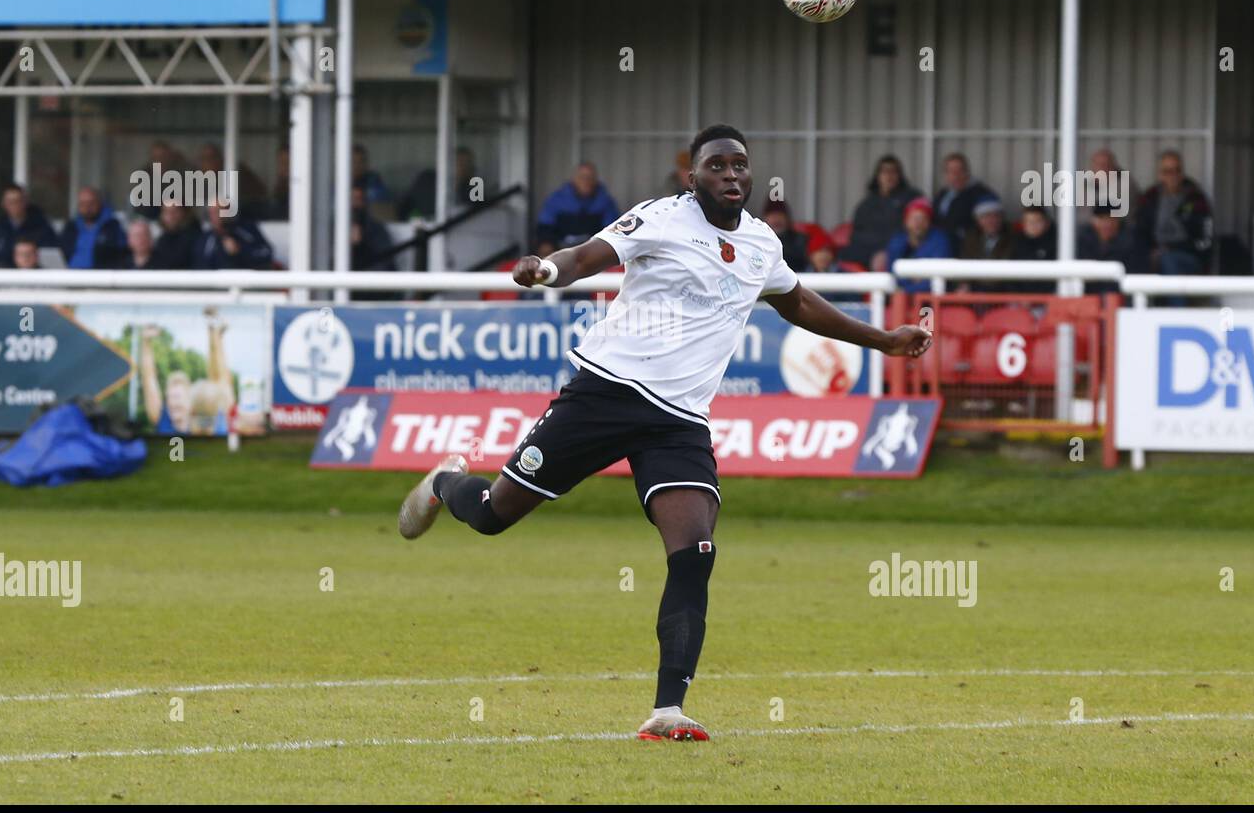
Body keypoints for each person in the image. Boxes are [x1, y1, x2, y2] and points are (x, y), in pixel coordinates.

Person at [395, 124, 933, 742]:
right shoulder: (661, 219)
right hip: (607, 393)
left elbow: (799, 303)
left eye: (739, 166)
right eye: (717, 166)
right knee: (494, 514)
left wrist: (884, 339)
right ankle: (446, 481)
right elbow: (587, 256)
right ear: (693, 177)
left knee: (695, 551)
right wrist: (546, 268)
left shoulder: (762, 244)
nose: (731, 175)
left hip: (679, 421)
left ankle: (667, 710)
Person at [139, 310, 234, 435]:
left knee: (223, 396)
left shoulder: (204, 420)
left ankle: (213, 329)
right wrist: (146, 343)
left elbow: (219, 380)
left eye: (177, 397)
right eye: (170, 398)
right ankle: (214, 331)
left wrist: (213, 334)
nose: (173, 402)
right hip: (174, 451)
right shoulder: (163, 420)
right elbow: (149, 380)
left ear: (190, 401)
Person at [1132, 150, 1213, 277]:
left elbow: (1205, 240)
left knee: (1168, 260)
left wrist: (1170, 249)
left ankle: (1176, 297)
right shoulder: (1149, 198)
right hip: (1153, 255)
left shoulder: (1195, 198)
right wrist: (1150, 252)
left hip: (1189, 256)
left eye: (1177, 170)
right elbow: (1139, 232)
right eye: (1167, 172)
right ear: (1160, 175)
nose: (1173, 176)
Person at [845, 154, 921, 270]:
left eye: (893, 172)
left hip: (901, 254)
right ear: (878, 176)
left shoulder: (911, 198)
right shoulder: (866, 204)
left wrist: (887, 251)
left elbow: (914, 231)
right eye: (885, 171)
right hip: (868, 254)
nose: (889, 176)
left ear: (900, 175)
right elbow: (856, 235)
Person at [534, 162, 619, 257]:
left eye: (590, 178)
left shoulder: (605, 201)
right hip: (561, 248)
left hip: (592, 249)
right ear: (574, 179)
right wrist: (546, 244)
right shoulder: (557, 199)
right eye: (582, 177)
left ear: (595, 180)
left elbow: (612, 231)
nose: (586, 181)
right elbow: (545, 227)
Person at [0, 183, 59, 266]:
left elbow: (51, 259)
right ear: (3, 204)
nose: (14, 205)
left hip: (33, 276)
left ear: (25, 202)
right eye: (10, 202)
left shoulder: (42, 227)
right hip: (3, 276)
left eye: (18, 201)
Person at [932, 152, 995, 252]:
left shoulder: (980, 194)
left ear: (967, 172)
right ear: (946, 174)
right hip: (941, 246)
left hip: (967, 248)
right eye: (951, 171)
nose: (955, 176)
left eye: (959, 171)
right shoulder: (942, 194)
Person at [886, 198, 952, 293]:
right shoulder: (897, 241)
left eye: (923, 218)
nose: (918, 223)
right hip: (902, 299)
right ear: (906, 222)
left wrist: (906, 288)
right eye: (914, 218)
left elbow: (933, 280)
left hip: (930, 301)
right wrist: (911, 280)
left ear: (929, 222)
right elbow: (892, 275)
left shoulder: (940, 240)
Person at [192, 201, 275, 269]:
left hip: (245, 283)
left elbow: (266, 252)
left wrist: (240, 251)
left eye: (218, 211)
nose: (215, 216)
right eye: (211, 213)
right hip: (214, 285)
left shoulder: (245, 229)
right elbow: (199, 265)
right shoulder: (205, 238)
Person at [60, 187, 128, 269]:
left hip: (98, 277)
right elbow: (61, 251)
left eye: (91, 203)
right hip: (68, 275)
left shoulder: (112, 226)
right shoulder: (71, 227)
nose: (87, 207)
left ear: (99, 203)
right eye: (83, 204)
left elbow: (121, 253)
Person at [957, 196, 1015, 291]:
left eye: (996, 216)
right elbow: (964, 263)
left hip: (1003, 289)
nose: (992, 220)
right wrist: (964, 283)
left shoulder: (1012, 237)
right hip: (975, 289)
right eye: (986, 216)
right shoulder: (971, 238)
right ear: (978, 219)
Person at [1078, 202, 1139, 291]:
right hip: (1089, 299)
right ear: (1093, 221)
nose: (1107, 224)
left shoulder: (1131, 243)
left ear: (1119, 221)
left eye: (1112, 218)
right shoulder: (1082, 242)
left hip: (1120, 298)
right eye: (1102, 218)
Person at [761, 199, 809, 271]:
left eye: (780, 215)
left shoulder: (799, 240)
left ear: (787, 218)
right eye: (773, 216)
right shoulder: (758, 239)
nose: (777, 219)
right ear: (765, 218)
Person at [150, 204, 202, 270]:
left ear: (183, 213)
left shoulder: (195, 238)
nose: (171, 217)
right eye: (166, 212)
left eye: (174, 212)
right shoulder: (161, 240)